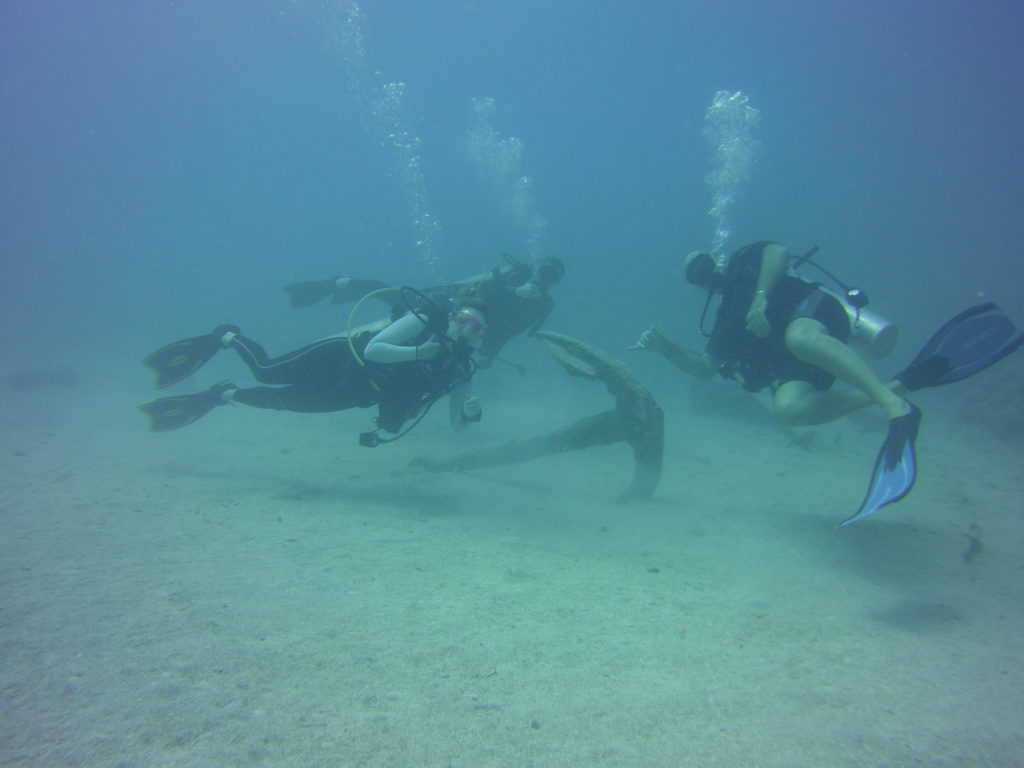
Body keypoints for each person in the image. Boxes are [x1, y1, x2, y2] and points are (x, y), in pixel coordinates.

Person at [632, 240, 1023, 524]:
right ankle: (899, 390)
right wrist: (666, 348)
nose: (705, 273)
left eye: (703, 263)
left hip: (816, 320)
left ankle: (891, 407)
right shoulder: (723, 324)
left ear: (714, 255)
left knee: (799, 337)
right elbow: (705, 369)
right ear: (698, 286)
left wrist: (761, 297)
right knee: (786, 410)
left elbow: (779, 252)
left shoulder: (746, 260)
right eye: (696, 275)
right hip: (798, 365)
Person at [138, 295, 490, 443]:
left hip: (357, 392)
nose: (467, 330)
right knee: (266, 371)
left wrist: (471, 414)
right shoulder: (425, 320)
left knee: (284, 402)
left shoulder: (461, 369)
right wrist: (419, 352)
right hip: (339, 358)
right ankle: (225, 337)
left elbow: (457, 427)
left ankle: (220, 394)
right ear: (454, 315)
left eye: (478, 328)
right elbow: (374, 350)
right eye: (465, 319)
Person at [283, 254, 565, 369]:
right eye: (545, 272)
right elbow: (476, 289)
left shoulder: (543, 305)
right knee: (392, 294)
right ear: (538, 267)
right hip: (447, 301)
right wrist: (514, 291)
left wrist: (488, 353)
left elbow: (511, 331)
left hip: (462, 327)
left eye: (552, 278)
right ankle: (334, 284)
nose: (545, 279)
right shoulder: (514, 275)